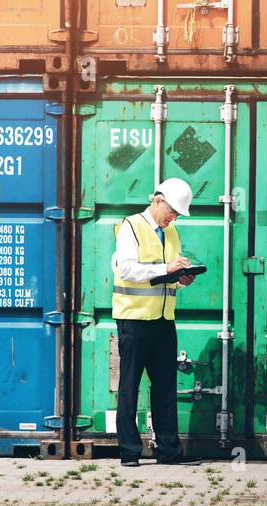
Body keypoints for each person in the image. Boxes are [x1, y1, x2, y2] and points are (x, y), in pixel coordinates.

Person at [111, 177, 201, 467]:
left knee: (165, 387)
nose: (173, 218)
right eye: (171, 211)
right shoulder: (131, 227)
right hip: (133, 319)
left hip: (163, 320)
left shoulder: (172, 233)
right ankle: (129, 452)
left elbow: (167, 277)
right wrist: (166, 268)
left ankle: (169, 452)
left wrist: (183, 279)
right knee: (129, 387)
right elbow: (126, 269)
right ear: (157, 200)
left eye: (177, 214)